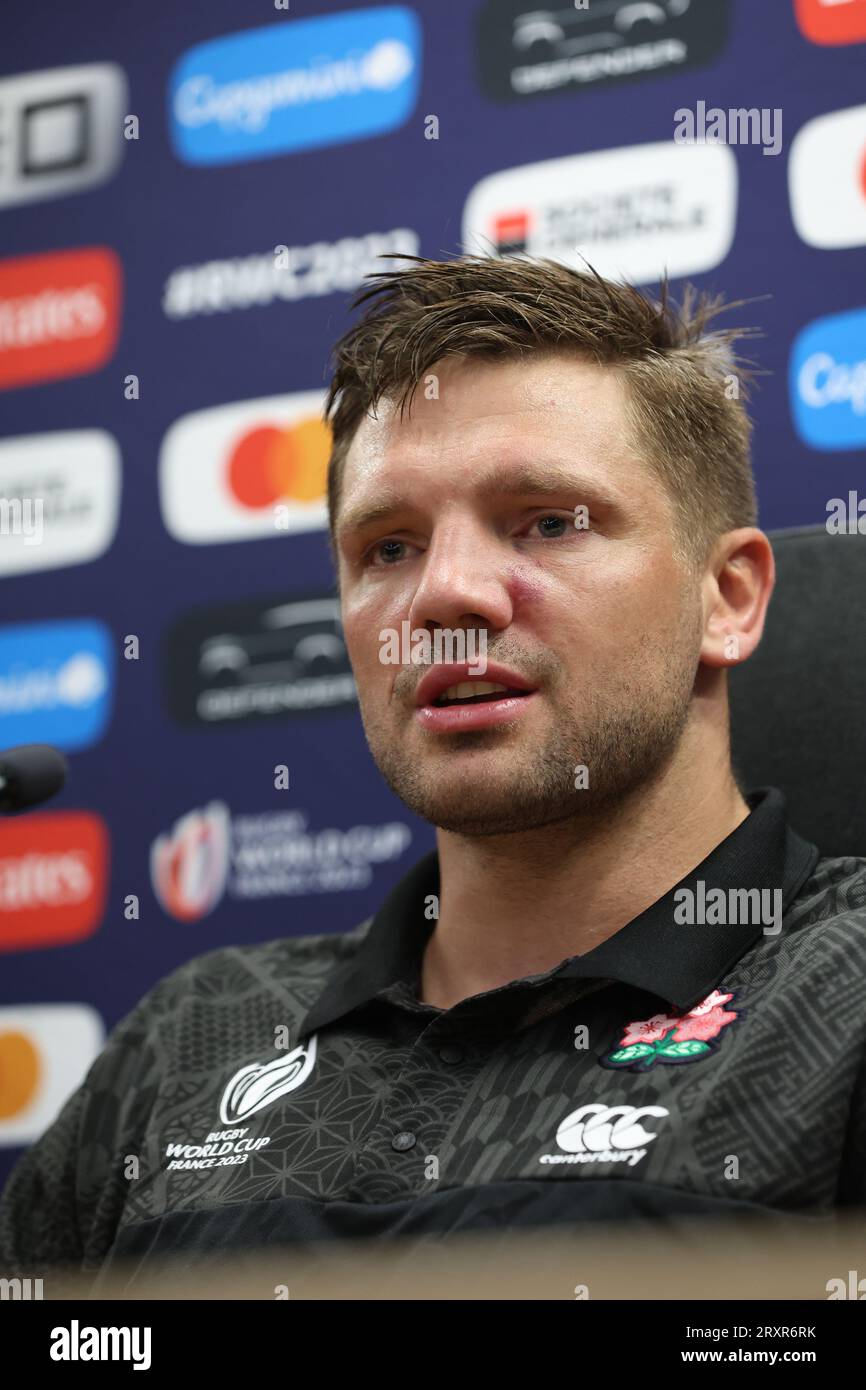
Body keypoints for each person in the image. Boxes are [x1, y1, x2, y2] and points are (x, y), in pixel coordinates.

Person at [3, 254, 866, 1289]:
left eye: (547, 521)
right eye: (387, 546)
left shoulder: (840, 994)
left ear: (724, 598)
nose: (444, 597)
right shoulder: (197, 1031)